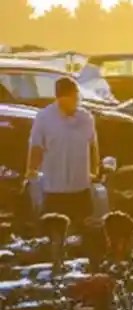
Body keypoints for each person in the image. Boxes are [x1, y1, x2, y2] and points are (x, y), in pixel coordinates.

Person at [27, 77, 98, 226]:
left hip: (80, 187)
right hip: (54, 189)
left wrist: (94, 170)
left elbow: (92, 145)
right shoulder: (44, 118)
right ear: (60, 98)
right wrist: (31, 172)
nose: (75, 102)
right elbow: (36, 147)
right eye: (71, 98)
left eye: (76, 97)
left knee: (81, 229)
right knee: (55, 229)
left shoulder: (86, 118)